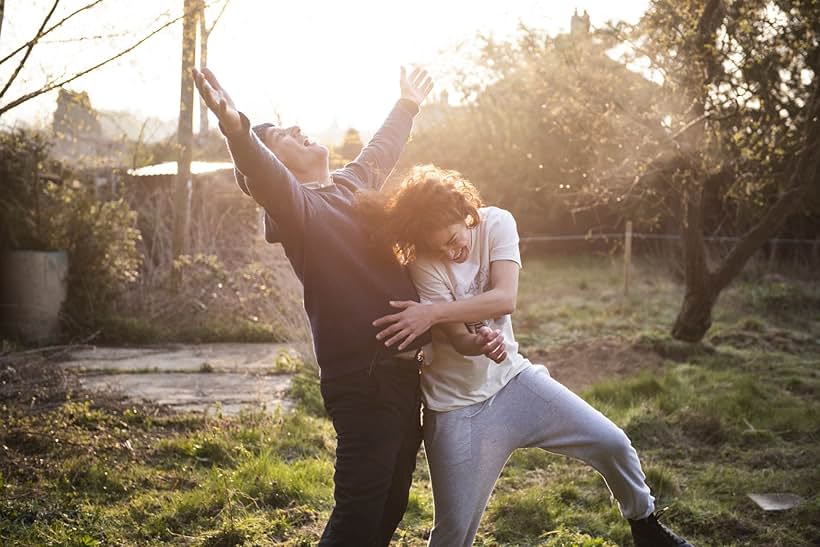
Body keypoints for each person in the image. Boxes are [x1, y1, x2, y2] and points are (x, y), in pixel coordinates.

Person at [193, 67, 502, 547]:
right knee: (359, 515)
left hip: (402, 380)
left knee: (390, 505)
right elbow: (262, 173)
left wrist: (407, 105)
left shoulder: (352, 186)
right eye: (281, 136)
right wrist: (239, 130)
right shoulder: (300, 211)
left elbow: (381, 149)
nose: (296, 130)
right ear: (279, 166)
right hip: (365, 382)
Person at [368, 165, 694, 547]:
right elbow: (459, 340)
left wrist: (433, 313)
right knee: (453, 533)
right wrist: (480, 341)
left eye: (454, 239)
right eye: (439, 247)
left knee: (612, 443)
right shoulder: (424, 263)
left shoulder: (497, 224)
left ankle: (646, 526)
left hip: (513, 382)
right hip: (457, 409)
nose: (450, 252)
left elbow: (506, 298)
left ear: (467, 214)